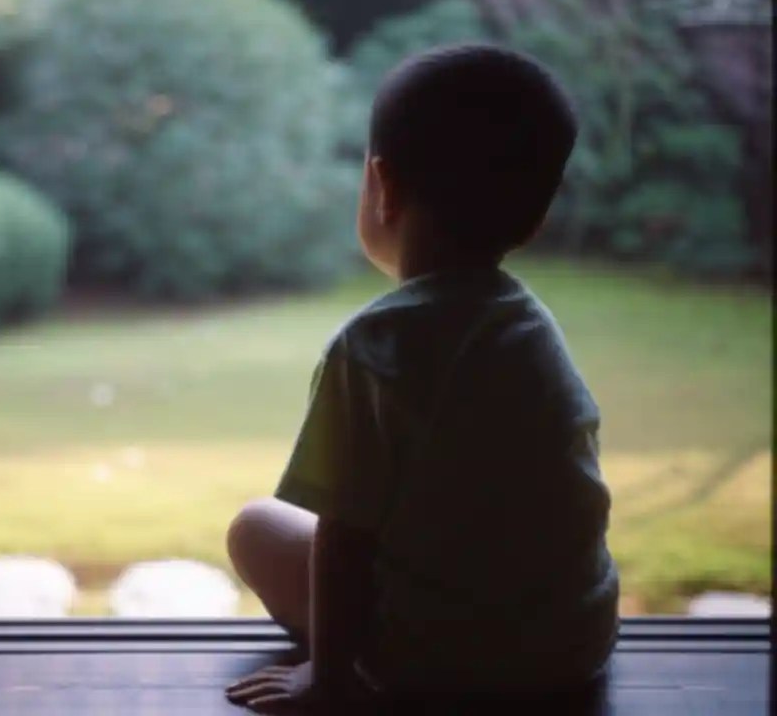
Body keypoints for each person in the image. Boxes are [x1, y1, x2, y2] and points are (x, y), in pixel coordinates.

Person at [224, 43, 620, 714]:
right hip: (570, 647)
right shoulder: (532, 330)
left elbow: (343, 535)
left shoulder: (374, 346)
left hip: (437, 667)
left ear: (384, 187)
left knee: (256, 527)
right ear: (537, 214)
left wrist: (328, 675)